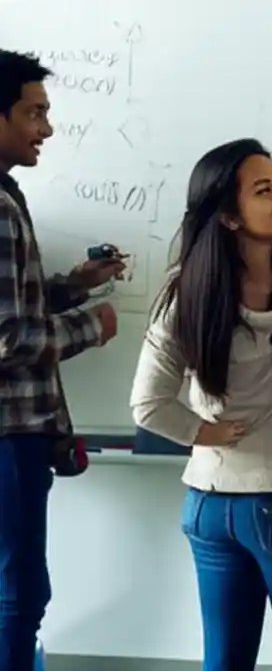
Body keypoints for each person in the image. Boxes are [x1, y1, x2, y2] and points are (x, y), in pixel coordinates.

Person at [129, 137, 272, 670]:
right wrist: (212, 431)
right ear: (228, 215)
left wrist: (207, 436)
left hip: (207, 505)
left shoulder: (187, 289)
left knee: (224, 661)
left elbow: (150, 406)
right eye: (264, 190)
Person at [0, 49, 124, 670]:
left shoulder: (6, 194)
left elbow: (13, 302)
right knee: (18, 594)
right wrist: (90, 326)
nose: (45, 129)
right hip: (9, 434)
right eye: (33, 113)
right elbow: (7, 339)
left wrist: (73, 284)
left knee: (17, 589)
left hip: (18, 436)